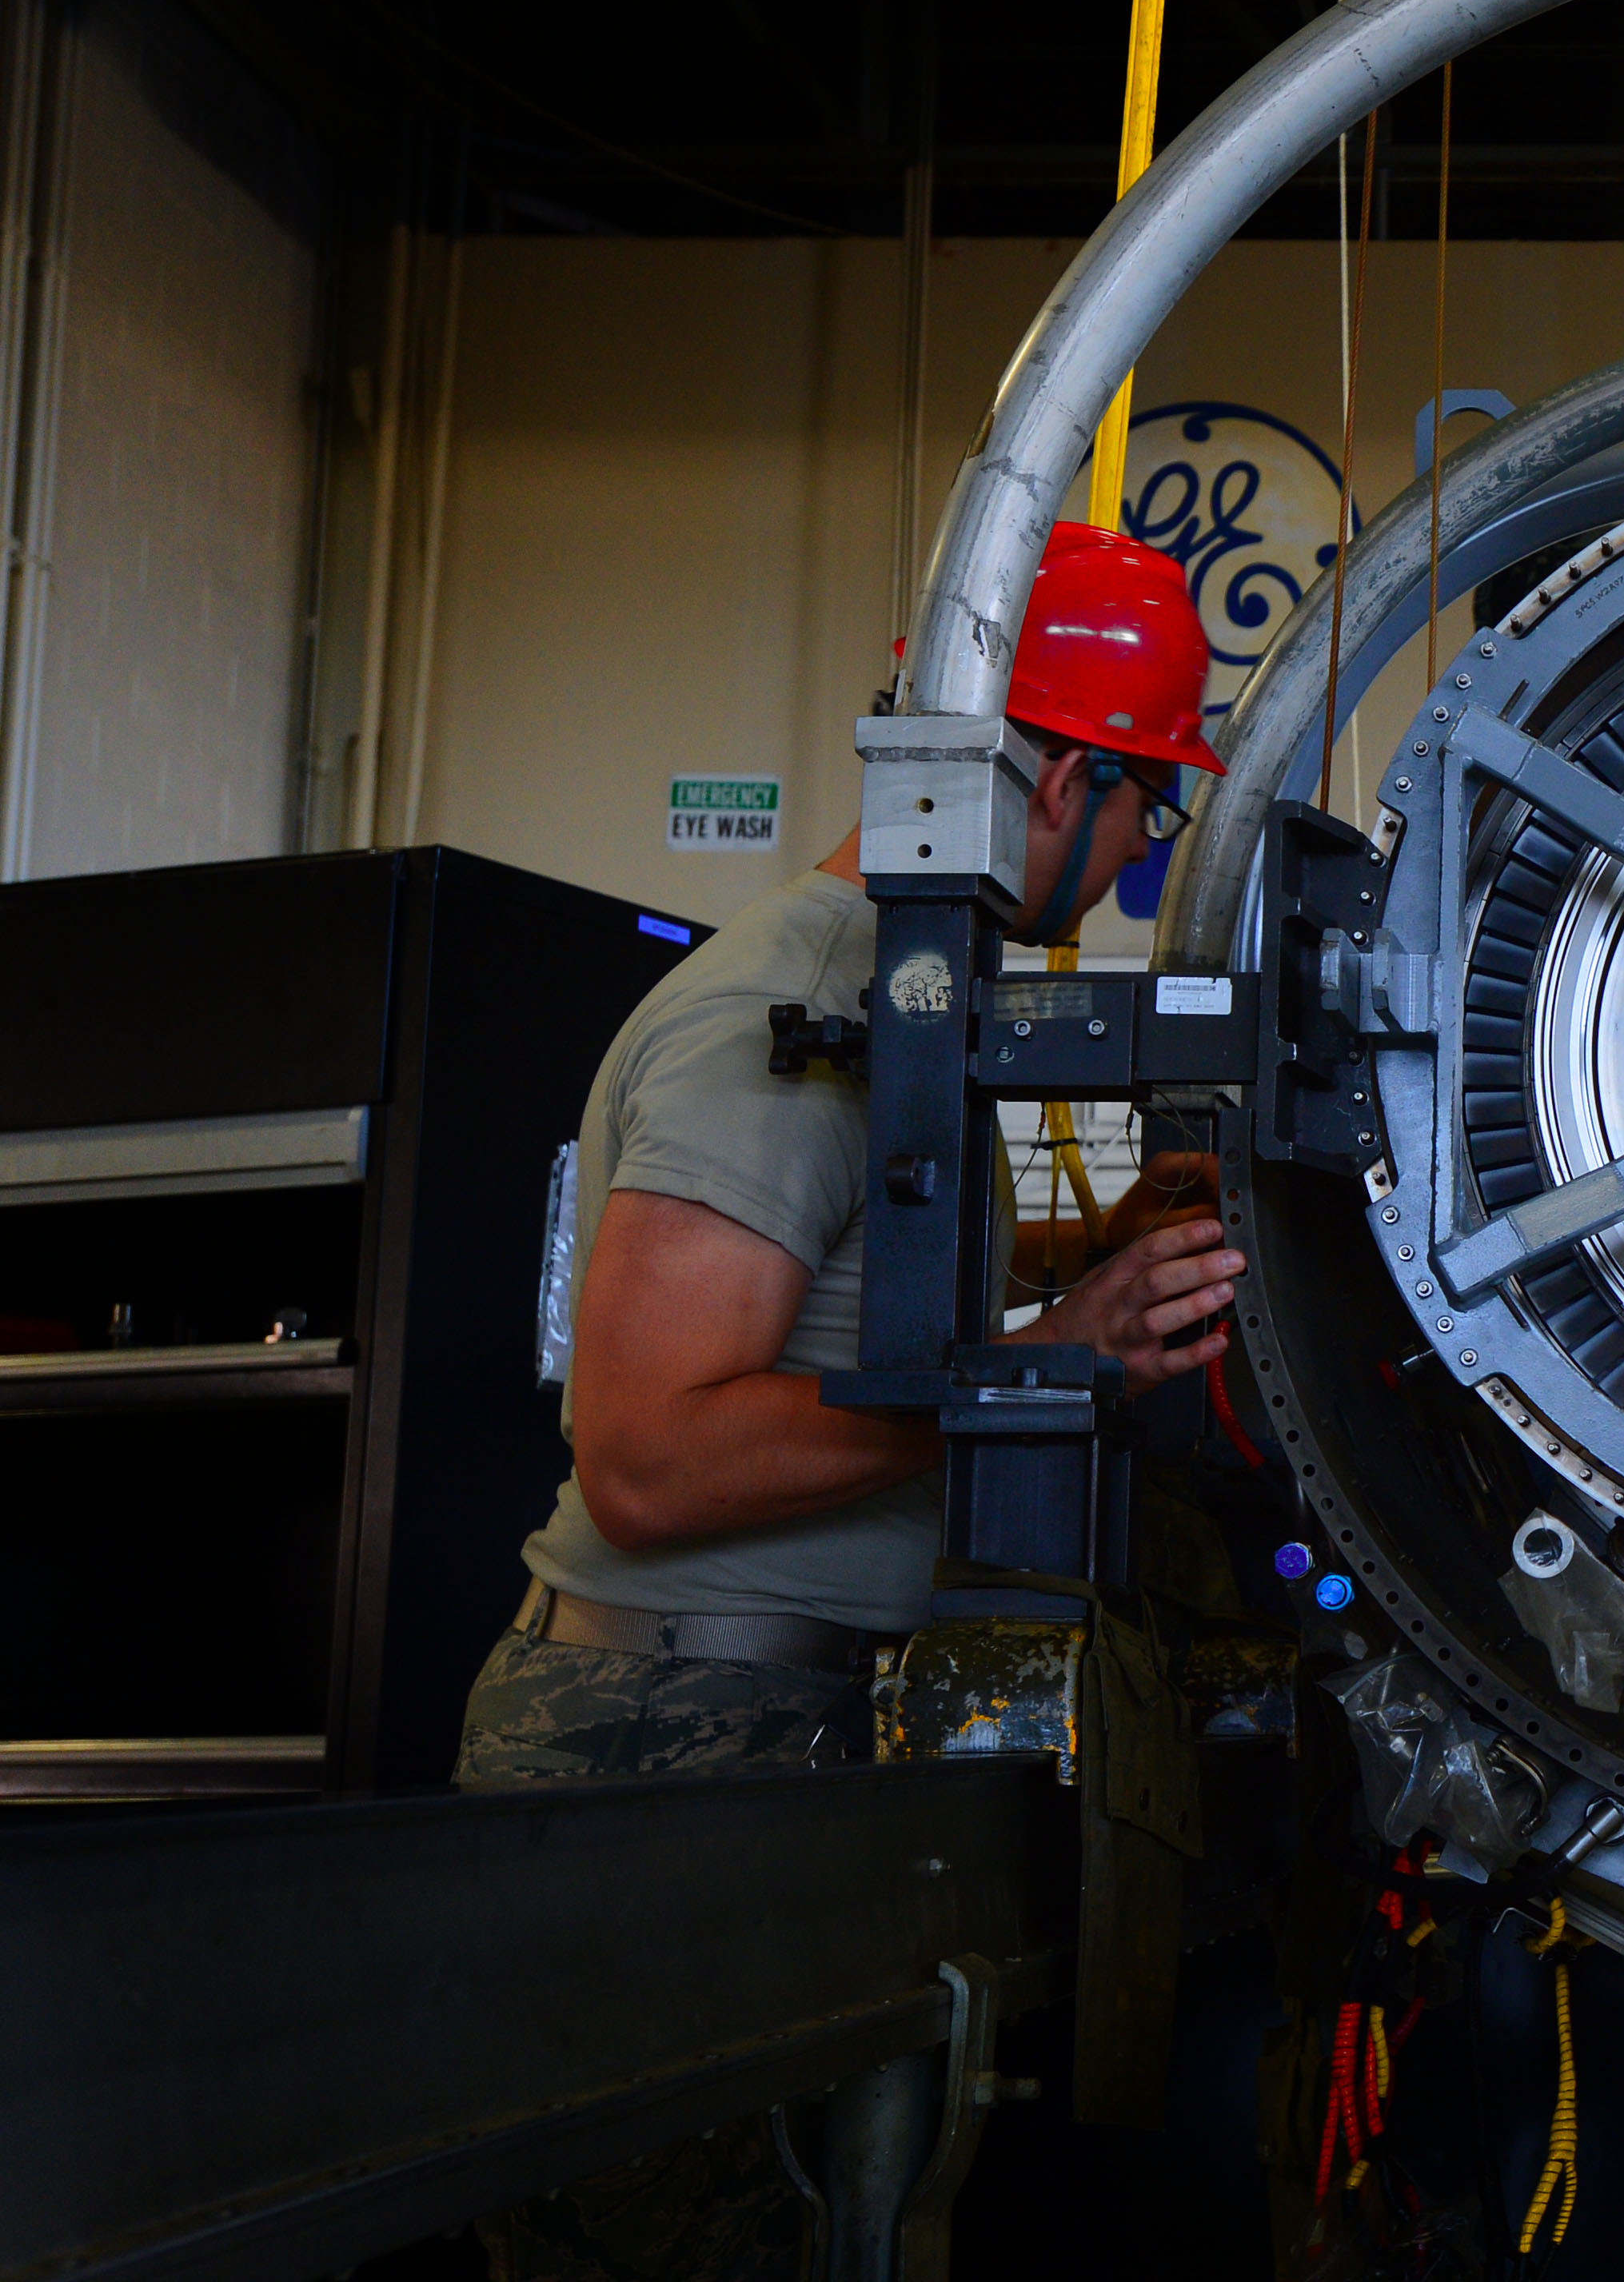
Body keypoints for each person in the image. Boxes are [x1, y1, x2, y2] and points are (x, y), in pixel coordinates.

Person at [453, 523, 1245, 2282]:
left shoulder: (915, 1001)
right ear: (1058, 782)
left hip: (788, 1735)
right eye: (1151, 805)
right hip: (667, 1746)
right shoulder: (788, 1009)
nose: (1141, 857)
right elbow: (647, 1458)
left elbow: (859, 1308)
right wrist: (1057, 1355)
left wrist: (1098, 1251)